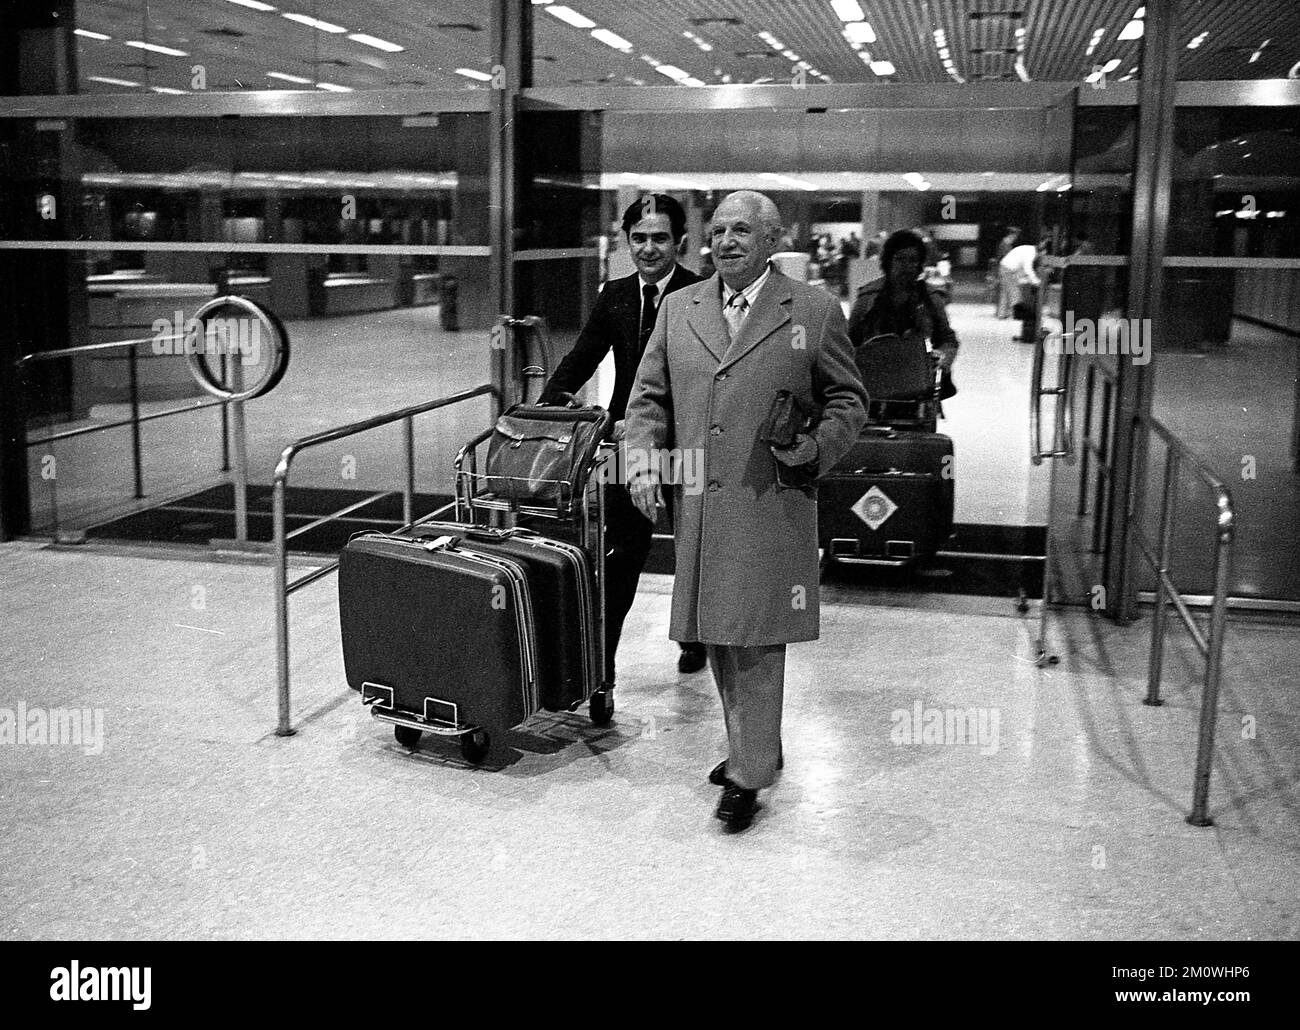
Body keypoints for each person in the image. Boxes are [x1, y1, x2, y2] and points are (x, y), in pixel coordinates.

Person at [625, 191, 868, 830]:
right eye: (719, 230)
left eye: (742, 231)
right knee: (719, 633)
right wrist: (644, 463)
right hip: (701, 502)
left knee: (756, 638)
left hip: (773, 500)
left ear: (771, 241)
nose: (726, 241)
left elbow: (849, 399)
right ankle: (751, 745)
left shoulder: (811, 310)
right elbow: (647, 400)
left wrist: (814, 448)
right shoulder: (681, 309)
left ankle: (748, 775)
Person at [537, 194, 709, 682]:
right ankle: (602, 663)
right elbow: (582, 356)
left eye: (659, 239)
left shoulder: (701, 294)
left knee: (691, 546)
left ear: (681, 242)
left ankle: (693, 636)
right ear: (625, 241)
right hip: (629, 441)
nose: (649, 249)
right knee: (620, 554)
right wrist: (551, 402)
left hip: (688, 442)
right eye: (639, 239)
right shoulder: (614, 294)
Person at [848, 229, 959, 396]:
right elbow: (849, 341)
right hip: (874, 380)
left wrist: (942, 359)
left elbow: (948, 340)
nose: (906, 266)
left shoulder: (930, 299)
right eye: (900, 259)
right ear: (888, 261)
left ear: (920, 264)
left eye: (913, 260)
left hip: (917, 383)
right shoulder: (868, 298)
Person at [1001, 237, 1043, 342]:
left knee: (1013, 292)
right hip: (1009, 269)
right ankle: (1014, 313)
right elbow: (1027, 268)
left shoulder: (1029, 249)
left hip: (1010, 268)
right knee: (1014, 294)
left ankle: (1010, 313)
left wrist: (1031, 279)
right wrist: (1036, 281)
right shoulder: (1031, 253)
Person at [995, 226, 1022, 318]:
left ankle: (1002, 313)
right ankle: (1005, 313)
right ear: (1012, 234)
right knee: (1009, 291)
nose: (1016, 238)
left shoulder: (1005, 243)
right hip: (1006, 269)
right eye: (1015, 235)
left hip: (1003, 268)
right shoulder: (1006, 244)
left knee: (1005, 291)